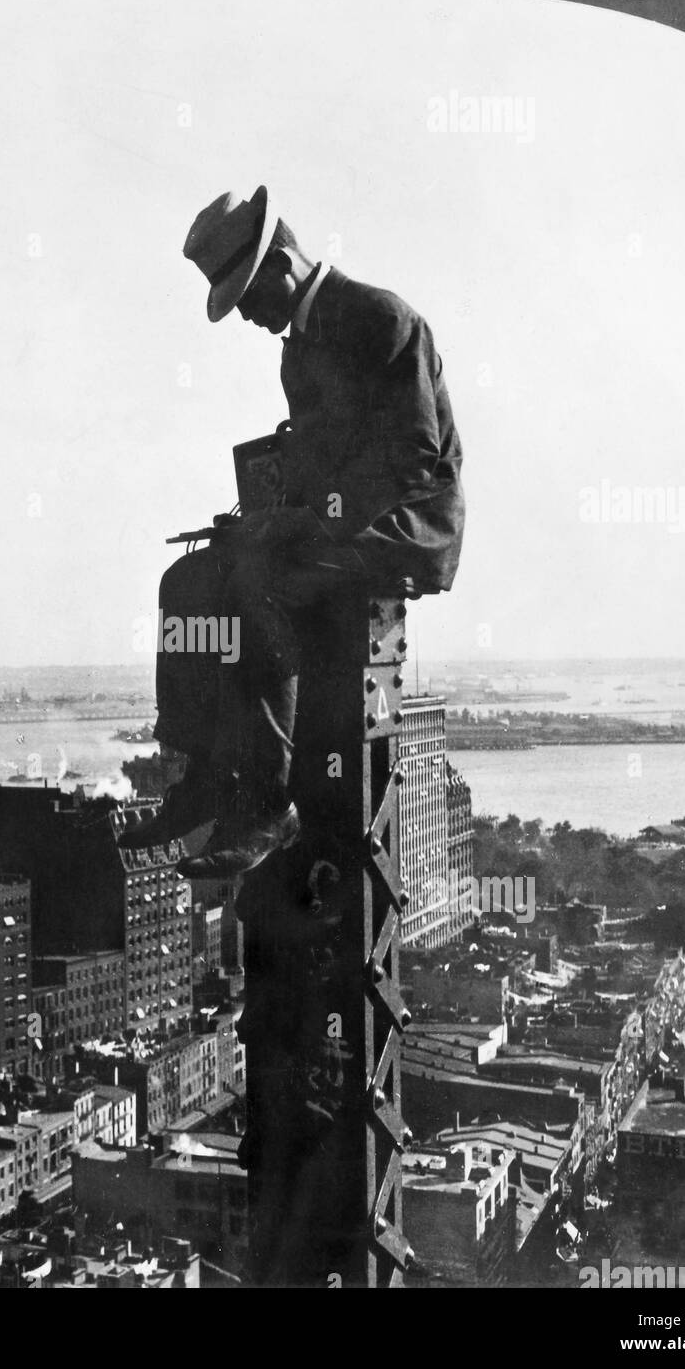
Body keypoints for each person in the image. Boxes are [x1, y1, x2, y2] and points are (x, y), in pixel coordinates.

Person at [119, 186, 465, 878]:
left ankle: (269, 801)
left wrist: (303, 522)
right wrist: (261, 519)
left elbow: (413, 460)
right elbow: (315, 467)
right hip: (343, 521)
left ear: (281, 261)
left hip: (406, 524)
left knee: (266, 581)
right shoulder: (297, 351)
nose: (248, 315)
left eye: (246, 297)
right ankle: (202, 776)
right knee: (187, 579)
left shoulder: (379, 318)